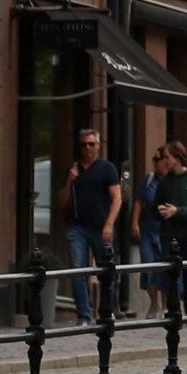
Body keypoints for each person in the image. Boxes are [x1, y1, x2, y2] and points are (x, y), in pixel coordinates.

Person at [65, 129, 123, 323]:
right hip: (77, 227)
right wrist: (69, 181)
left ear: (98, 145)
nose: (87, 148)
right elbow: (61, 201)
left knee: (107, 269)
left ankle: (106, 309)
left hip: (100, 227)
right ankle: (84, 315)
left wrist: (109, 224)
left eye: (91, 144)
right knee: (77, 271)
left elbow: (117, 198)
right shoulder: (74, 169)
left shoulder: (107, 169)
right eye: (84, 144)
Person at [153, 141, 187, 314]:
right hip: (168, 235)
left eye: (167, 157)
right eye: (163, 158)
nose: (164, 161)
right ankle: (173, 309)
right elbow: (156, 206)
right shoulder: (164, 182)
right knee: (170, 274)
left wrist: (178, 211)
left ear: (177, 157)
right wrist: (160, 210)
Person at [135, 150, 171, 316]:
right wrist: (134, 223)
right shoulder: (149, 180)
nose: (158, 163)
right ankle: (154, 302)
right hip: (148, 231)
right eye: (155, 159)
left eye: (161, 159)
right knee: (148, 265)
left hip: (166, 233)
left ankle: (165, 307)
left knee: (164, 268)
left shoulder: (173, 181)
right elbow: (138, 201)